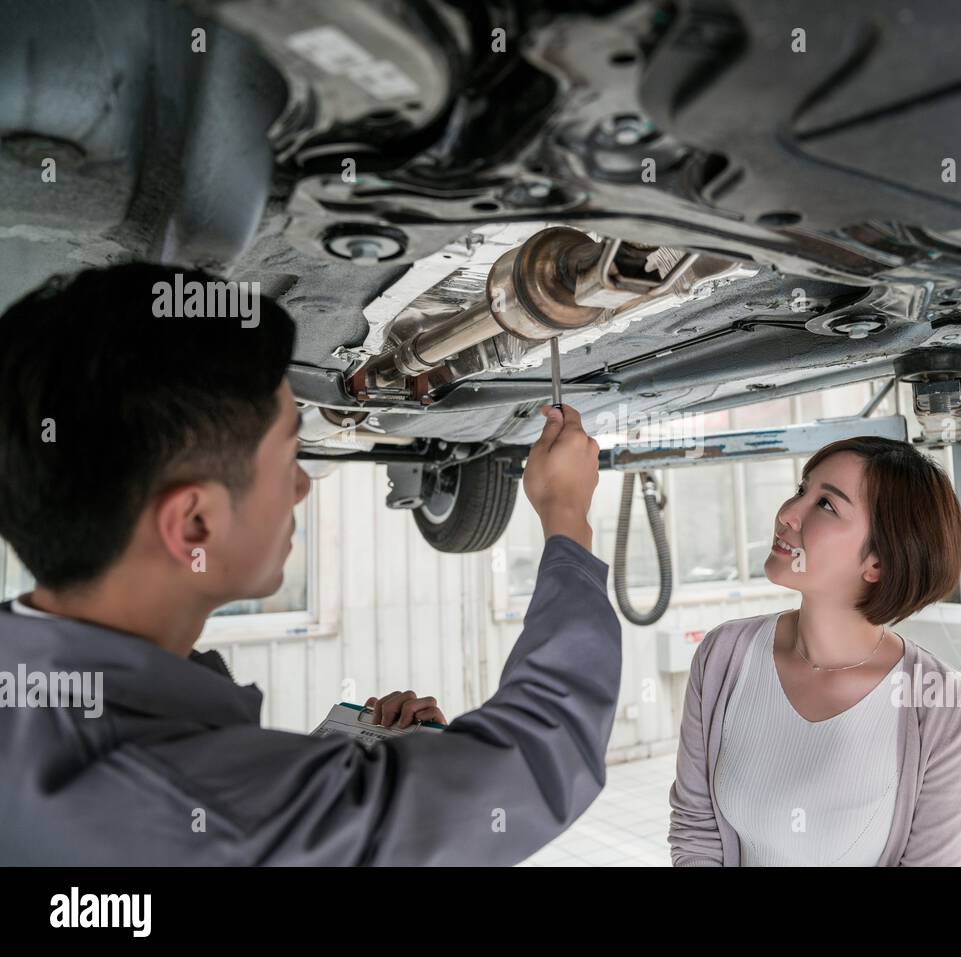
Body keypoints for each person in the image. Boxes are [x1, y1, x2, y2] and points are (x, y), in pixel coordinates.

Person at [0, 263, 620, 865]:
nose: (301, 486)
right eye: (289, 456)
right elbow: (537, 759)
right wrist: (566, 517)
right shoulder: (208, 809)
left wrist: (337, 763)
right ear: (194, 524)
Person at [668, 436, 961, 866]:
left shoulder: (939, 702)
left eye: (826, 505)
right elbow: (696, 831)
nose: (787, 513)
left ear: (879, 562)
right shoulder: (725, 656)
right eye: (802, 490)